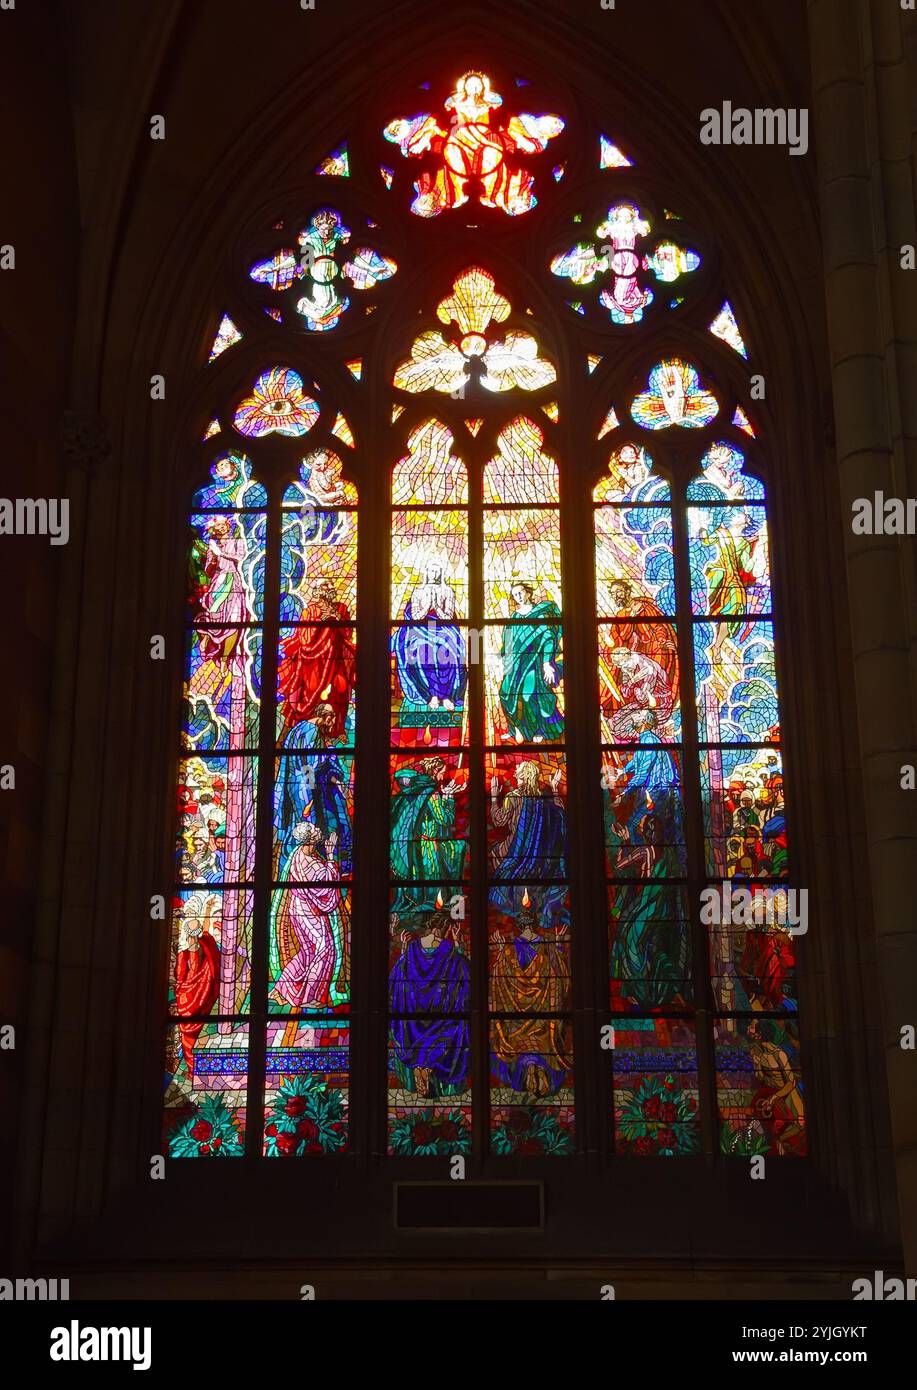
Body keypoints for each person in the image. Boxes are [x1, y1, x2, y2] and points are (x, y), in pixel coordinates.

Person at [490, 905, 571, 1096]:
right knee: (544, 1040)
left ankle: (529, 1069)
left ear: (519, 925)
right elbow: (559, 976)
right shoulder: (546, 945)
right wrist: (558, 945)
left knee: (516, 1041)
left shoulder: (512, 948)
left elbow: (502, 977)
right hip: (543, 1014)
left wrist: (502, 951)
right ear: (534, 924)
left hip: (517, 1015)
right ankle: (540, 1068)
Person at [389, 910, 470, 1098]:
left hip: (413, 1015)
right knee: (450, 1032)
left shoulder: (413, 948)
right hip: (442, 1013)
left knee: (417, 1035)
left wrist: (403, 949)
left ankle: (420, 1067)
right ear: (444, 928)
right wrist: (458, 944)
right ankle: (429, 1069)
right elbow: (466, 974)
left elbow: (398, 976)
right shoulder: (449, 950)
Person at [275, 701, 352, 877]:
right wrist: (310, 795)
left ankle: (303, 870)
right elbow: (308, 766)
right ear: (325, 717)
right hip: (304, 787)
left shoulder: (304, 728)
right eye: (331, 719)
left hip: (302, 785)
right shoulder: (309, 732)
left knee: (305, 826)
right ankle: (302, 872)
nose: (332, 724)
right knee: (307, 826)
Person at [271, 824, 341, 1010]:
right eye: (315, 836)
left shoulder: (298, 853)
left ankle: (280, 989)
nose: (317, 837)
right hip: (307, 912)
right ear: (311, 840)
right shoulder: (309, 863)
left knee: (308, 951)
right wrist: (331, 855)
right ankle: (310, 996)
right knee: (324, 948)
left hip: (300, 907)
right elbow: (326, 884)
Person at [276, 578, 355, 741]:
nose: (331, 587)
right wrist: (322, 621)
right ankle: (311, 732)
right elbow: (305, 638)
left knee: (340, 691)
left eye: (332, 585)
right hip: (313, 664)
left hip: (336, 660)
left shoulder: (341, 608)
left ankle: (336, 730)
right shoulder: (309, 612)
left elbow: (348, 633)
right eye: (326, 585)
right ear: (318, 590)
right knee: (313, 696)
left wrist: (338, 619)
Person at [392, 562, 466, 713]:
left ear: (441, 574)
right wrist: (427, 606)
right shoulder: (418, 592)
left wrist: (437, 606)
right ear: (427, 573)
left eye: (437, 571)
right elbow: (415, 616)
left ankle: (446, 696)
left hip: (444, 628)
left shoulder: (448, 591)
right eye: (431, 571)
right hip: (420, 629)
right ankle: (431, 695)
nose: (434, 574)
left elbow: (448, 616)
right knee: (421, 650)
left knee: (449, 650)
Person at [497, 581, 563, 743]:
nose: (518, 597)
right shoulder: (514, 617)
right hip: (516, 664)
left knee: (529, 696)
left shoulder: (540, 614)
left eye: (521, 593)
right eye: (515, 595)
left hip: (535, 662)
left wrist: (547, 663)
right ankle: (515, 730)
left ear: (528, 593)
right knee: (505, 693)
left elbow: (548, 638)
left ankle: (540, 729)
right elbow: (508, 642)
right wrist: (503, 660)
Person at [391, 756, 464, 884]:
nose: (442, 777)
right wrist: (450, 798)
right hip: (427, 847)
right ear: (435, 771)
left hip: (417, 844)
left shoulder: (418, 788)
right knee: (431, 883)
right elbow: (444, 820)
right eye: (441, 773)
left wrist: (445, 796)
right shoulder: (432, 793)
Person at [173, 894, 221, 1075]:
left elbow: (180, 978)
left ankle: (193, 1070)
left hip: (187, 1003)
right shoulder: (206, 947)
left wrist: (207, 910)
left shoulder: (185, 954)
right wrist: (207, 910)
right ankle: (196, 1070)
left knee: (189, 1039)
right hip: (201, 1001)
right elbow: (206, 932)